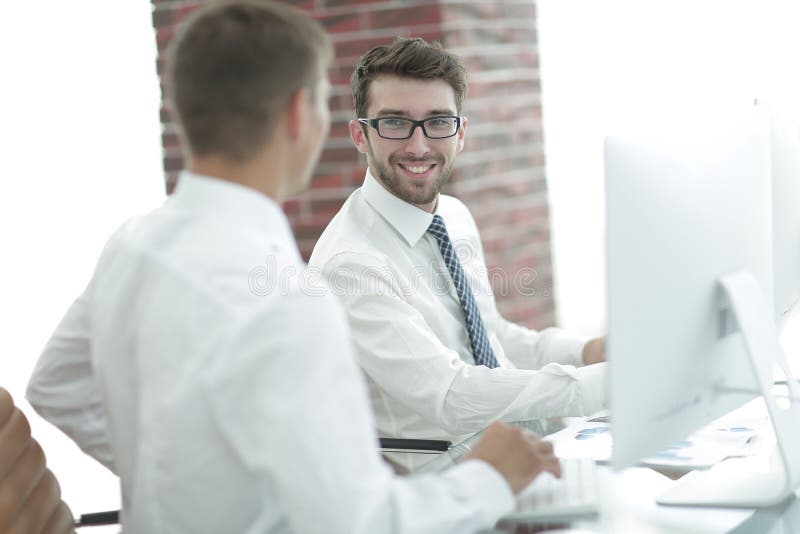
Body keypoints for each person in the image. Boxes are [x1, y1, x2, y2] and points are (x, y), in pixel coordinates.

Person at [26, 2, 561, 532]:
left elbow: (56, 387)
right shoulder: (290, 302)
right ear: (298, 114)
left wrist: (182, 484)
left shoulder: (132, 245)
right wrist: (492, 477)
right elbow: (365, 523)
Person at [308, 37, 607, 469]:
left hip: (522, 452)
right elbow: (450, 394)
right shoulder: (351, 263)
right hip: (449, 484)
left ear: (460, 132)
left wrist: (589, 353)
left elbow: (490, 339)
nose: (418, 146)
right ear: (360, 134)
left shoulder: (454, 215)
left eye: (437, 122)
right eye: (394, 123)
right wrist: (600, 384)